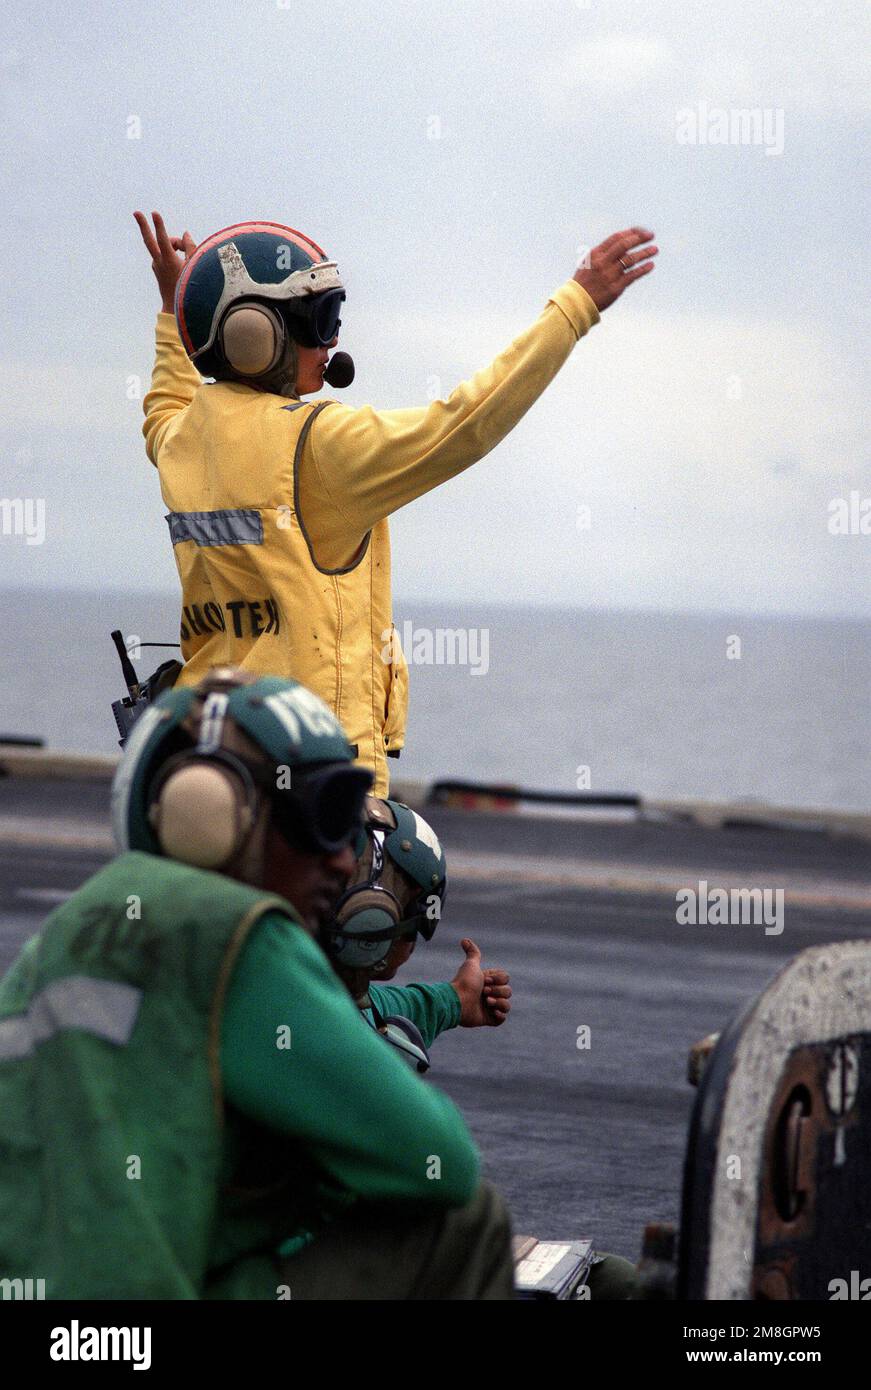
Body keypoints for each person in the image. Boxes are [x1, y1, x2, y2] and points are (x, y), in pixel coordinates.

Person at [0, 668, 515, 1300]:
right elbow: (444, 1162)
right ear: (213, 817)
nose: (337, 860)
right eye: (323, 819)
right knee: (462, 1223)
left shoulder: (67, 932)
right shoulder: (236, 933)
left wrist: (450, 1002)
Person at [134, 211, 658, 794]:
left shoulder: (181, 441)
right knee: (414, 871)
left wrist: (172, 306)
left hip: (208, 760)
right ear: (255, 335)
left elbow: (164, 404)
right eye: (319, 319)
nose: (331, 339)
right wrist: (576, 305)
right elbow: (465, 426)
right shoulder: (318, 447)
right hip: (311, 774)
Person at [322, 792, 512, 1071]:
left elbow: (371, 1006)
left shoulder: (302, 985)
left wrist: (456, 998)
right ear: (373, 920)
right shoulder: (326, 1036)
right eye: (415, 922)